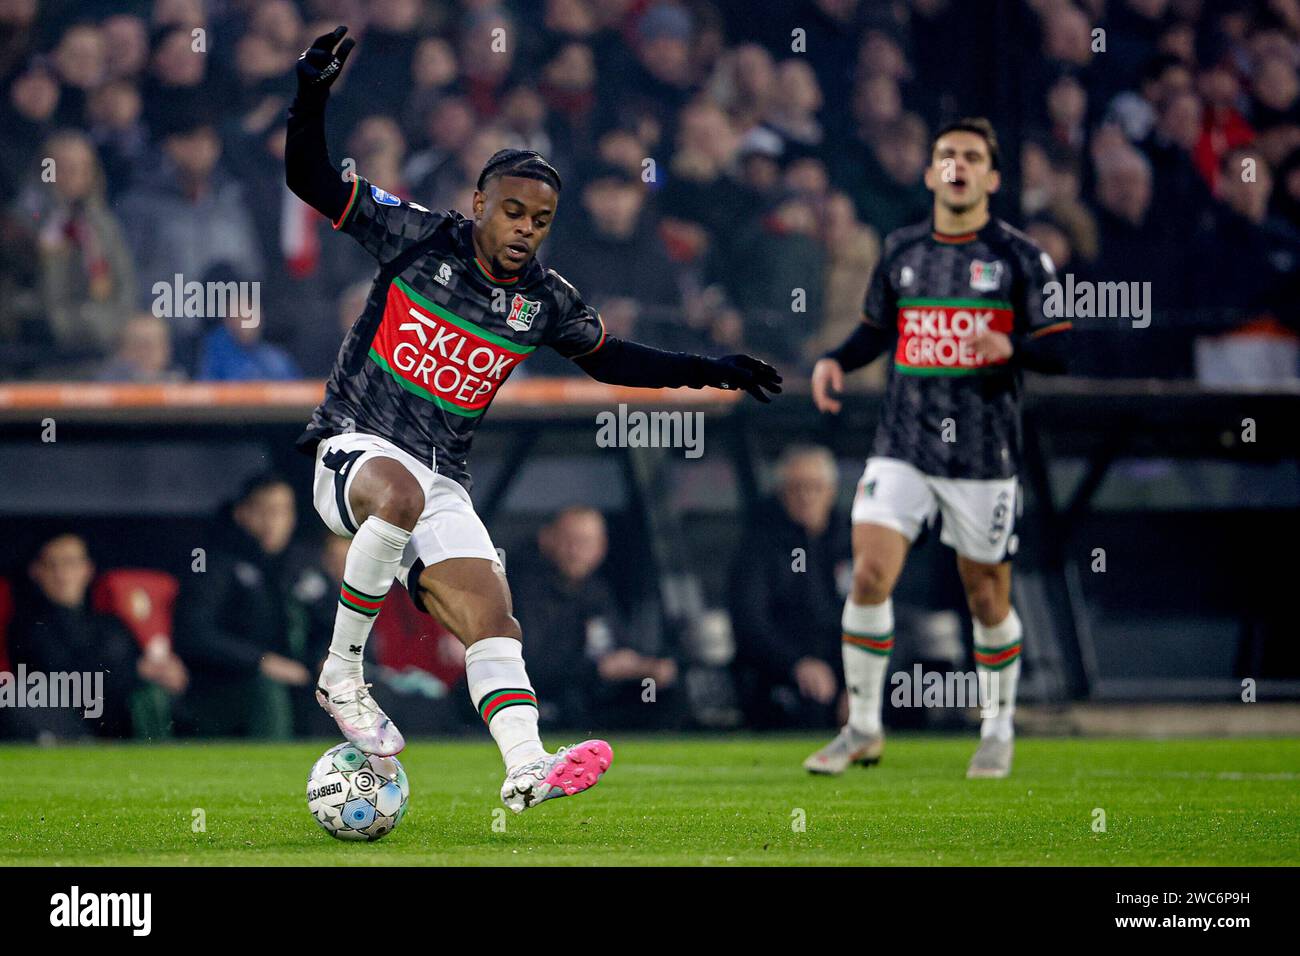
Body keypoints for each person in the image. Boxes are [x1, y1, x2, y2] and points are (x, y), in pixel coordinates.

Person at [285, 27, 780, 814]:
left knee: (493, 616)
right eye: (511, 210)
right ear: (479, 202)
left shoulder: (544, 299)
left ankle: (525, 767)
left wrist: (709, 368)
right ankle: (342, 674)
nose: (523, 227)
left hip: (442, 479)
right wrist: (312, 95)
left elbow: (612, 357)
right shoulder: (417, 238)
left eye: (539, 220)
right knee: (400, 499)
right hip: (354, 446)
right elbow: (312, 179)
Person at [807, 118, 1071, 779]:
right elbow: (875, 332)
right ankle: (863, 726)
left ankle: (998, 726)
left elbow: (1063, 344)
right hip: (902, 445)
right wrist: (836, 360)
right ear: (930, 173)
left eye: (972, 156)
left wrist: (1014, 346)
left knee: (986, 595)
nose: (957, 164)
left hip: (983, 455)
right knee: (868, 572)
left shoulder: (1018, 256)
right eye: (946, 154)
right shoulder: (901, 251)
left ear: (992, 177)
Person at [5, 533, 186, 741]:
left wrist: (162, 671)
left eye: (70, 563)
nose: (61, 574)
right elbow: (66, 676)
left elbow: (140, 665)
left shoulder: (110, 623)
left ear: (87, 569)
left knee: (155, 695)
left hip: (118, 720)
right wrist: (135, 672)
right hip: (66, 719)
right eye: (51, 564)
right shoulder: (27, 625)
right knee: (23, 697)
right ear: (36, 571)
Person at [171, 473, 312, 739]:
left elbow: (327, 621)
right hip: (220, 689)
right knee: (268, 689)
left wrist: (324, 659)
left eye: (282, 511)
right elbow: (193, 633)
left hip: (294, 682)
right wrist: (260, 661)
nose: (274, 521)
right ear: (242, 513)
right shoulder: (211, 563)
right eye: (264, 511)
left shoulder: (301, 565)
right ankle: (275, 774)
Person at [511, 507, 679, 730]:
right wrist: (596, 670)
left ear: (602, 547)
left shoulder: (597, 591)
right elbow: (529, 665)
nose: (576, 551)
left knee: (662, 690)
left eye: (586, 543)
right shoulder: (523, 590)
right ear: (546, 540)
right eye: (569, 540)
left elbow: (617, 645)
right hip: (547, 702)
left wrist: (646, 666)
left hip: (599, 697)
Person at [728, 446, 851, 730]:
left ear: (831, 491)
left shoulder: (855, 541)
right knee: (809, 705)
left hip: (851, 671)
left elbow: (879, 615)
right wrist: (796, 664)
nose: (806, 496)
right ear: (782, 492)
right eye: (797, 488)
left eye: (815, 487)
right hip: (783, 674)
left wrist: (860, 684)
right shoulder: (759, 546)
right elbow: (750, 622)